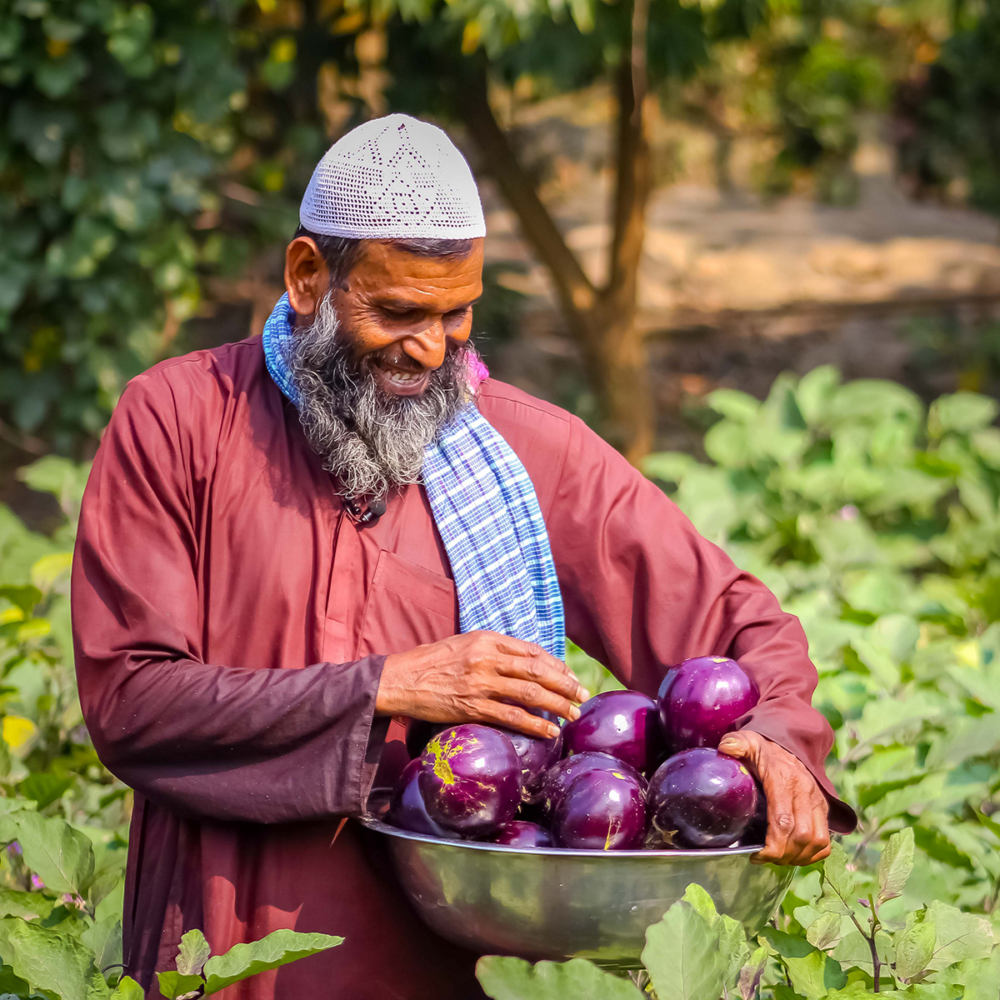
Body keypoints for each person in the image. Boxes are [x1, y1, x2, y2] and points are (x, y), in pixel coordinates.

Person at [72, 114, 855, 1000]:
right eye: (397, 311)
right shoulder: (179, 421)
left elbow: (743, 629)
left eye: (457, 314)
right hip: (216, 964)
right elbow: (132, 697)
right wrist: (387, 687)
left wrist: (780, 745)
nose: (431, 350)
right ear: (307, 278)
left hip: (447, 969)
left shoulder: (521, 451)